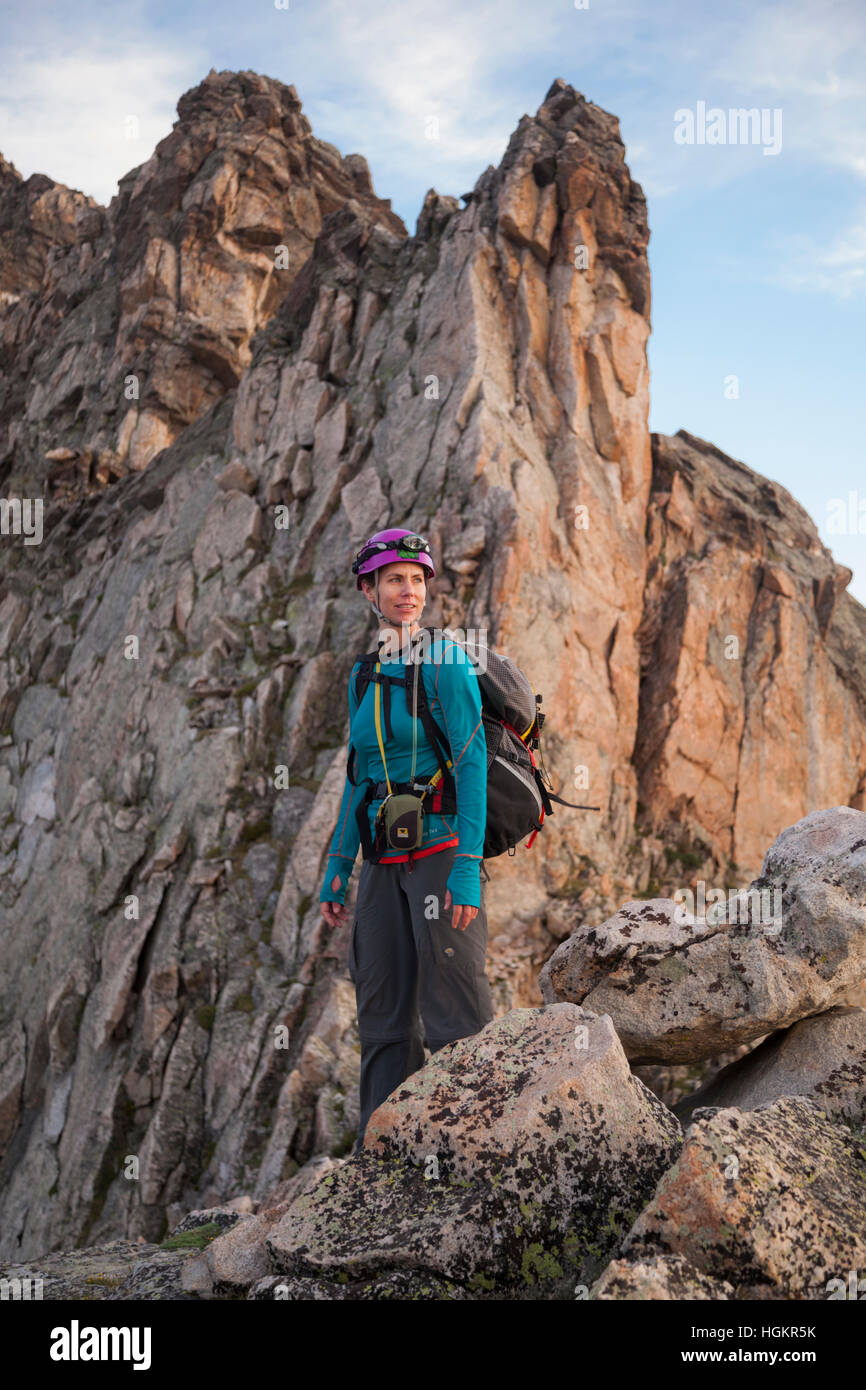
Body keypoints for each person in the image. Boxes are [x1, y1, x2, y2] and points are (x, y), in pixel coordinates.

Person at [319, 528, 494, 1152]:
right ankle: (383, 1155)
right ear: (369, 590)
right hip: (381, 863)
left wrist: (467, 867)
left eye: (417, 579)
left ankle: (471, 1150)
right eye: (395, 579)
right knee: (383, 1020)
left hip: (441, 854)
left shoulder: (446, 662)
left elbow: (471, 765)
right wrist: (339, 865)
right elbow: (358, 775)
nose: (408, 591)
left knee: (456, 1016)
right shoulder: (363, 674)